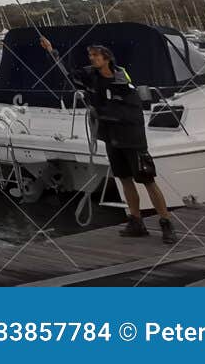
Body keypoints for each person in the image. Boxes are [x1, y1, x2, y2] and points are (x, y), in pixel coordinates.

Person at [39, 35, 176, 243]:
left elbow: (129, 112)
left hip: (132, 140)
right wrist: (51, 51)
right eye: (90, 55)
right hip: (112, 139)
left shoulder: (122, 82)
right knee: (125, 180)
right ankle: (136, 221)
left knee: (147, 181)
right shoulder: (90, 76)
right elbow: (65, 75)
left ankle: (166, 223)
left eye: (95, 56)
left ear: (107, 59)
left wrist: (99, 112)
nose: (92, 59)